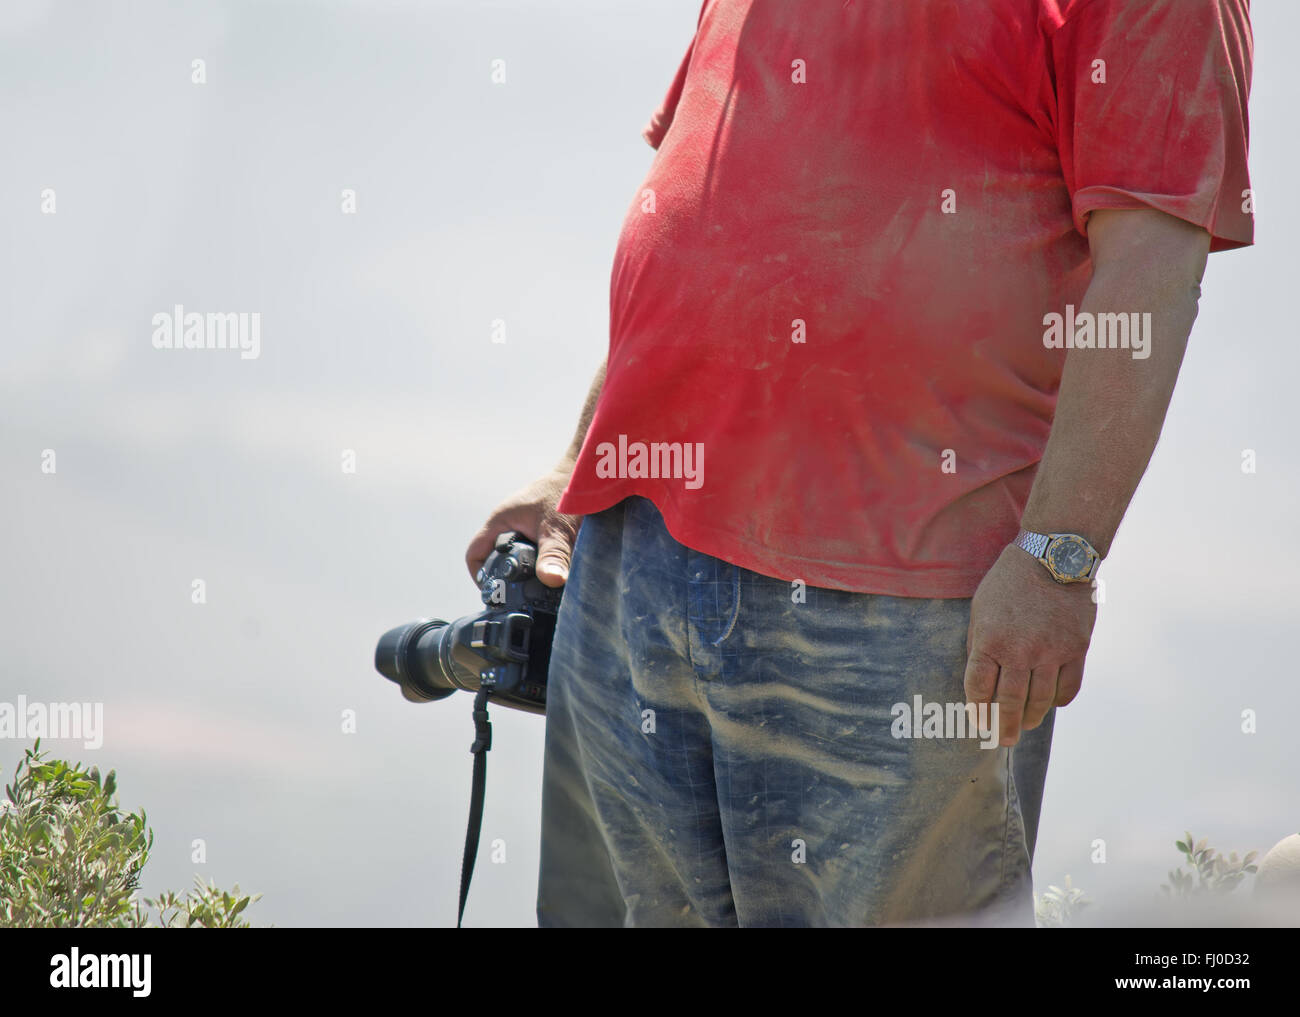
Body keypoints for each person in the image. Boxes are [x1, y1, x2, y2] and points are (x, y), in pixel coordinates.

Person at [467, 0, 1254, 927]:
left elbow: (1150, 271)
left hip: (901, 609)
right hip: (637, 552)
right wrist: (574, 465)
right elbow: (702, 219)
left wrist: (1059, 556)